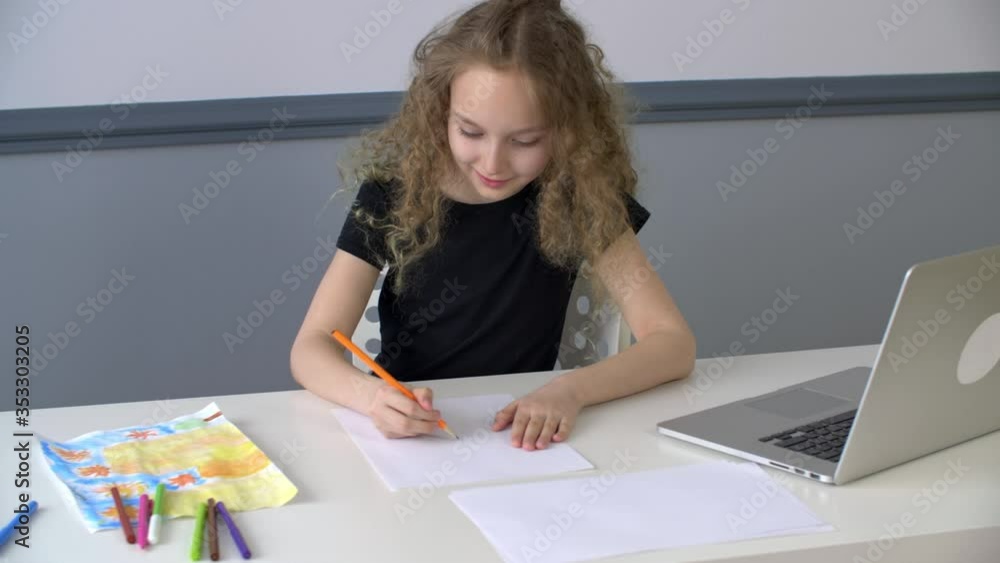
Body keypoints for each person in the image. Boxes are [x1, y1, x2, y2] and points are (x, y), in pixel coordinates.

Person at [290, 0, 695, 451]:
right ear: (440, 110)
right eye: (470, 132)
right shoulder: (393, 196)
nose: (493, 162)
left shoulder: (579, 198)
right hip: (409, 434)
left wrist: (570, 390)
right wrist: (372, 397)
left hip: (517, 436)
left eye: (524, 140)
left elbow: (673, 343)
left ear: (567, 130)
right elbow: (311, 347)